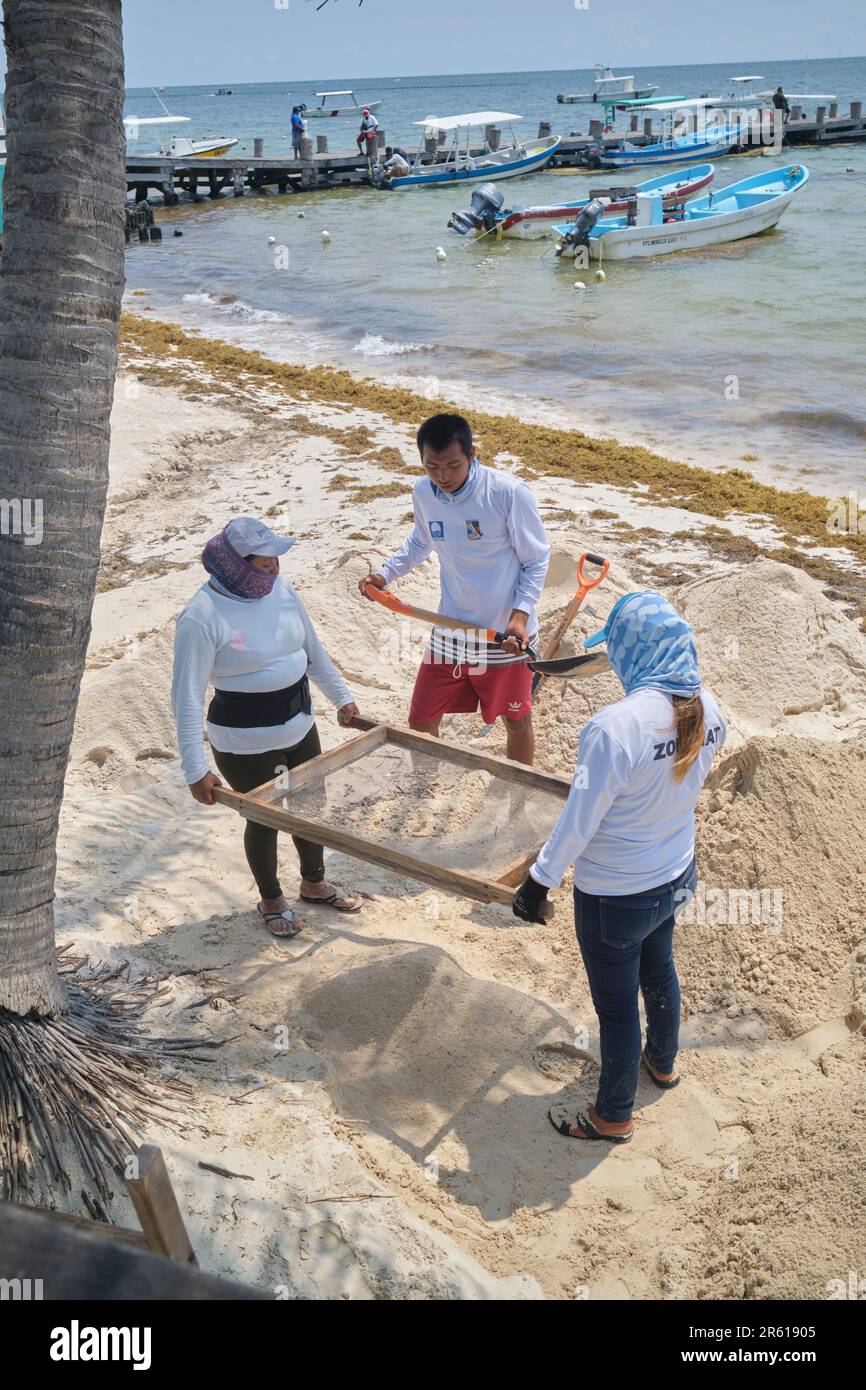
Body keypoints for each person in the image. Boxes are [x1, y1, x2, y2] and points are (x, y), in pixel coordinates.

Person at [513, 591, 727, 1142]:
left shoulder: (614, 727)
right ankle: (664, 1063)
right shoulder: (710, 708)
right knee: (660, 971)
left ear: (634, 653)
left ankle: (612, 1115)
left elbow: (580, 821)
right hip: (676, 873)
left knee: (615, 1008)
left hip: (615, 895)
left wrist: (538, 881)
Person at [172, 516, 361, 939]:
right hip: (243, 740)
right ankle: (271, 898)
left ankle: (314, 883)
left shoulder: (284, 591)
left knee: (311, 804)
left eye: (276, 560)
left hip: (299, 723)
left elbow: (312, 651)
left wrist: (342, 698)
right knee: (266, 818)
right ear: (236, 565)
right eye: (263, 563)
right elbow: (185, 696)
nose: (274, 569)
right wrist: (193, 769)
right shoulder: (200, 617)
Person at [359, 413, 550, 766]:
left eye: (453, 465)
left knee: (517, 721)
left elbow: (536, 559)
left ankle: (518, 795)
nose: (443, 476)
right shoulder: (422, 492)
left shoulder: (507, 493)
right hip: (451, 630)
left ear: (472, 454)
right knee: (420, 722)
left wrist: (520, 616)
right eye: (432, 466)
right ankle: (424, 786)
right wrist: (385, 575)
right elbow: (420, 541)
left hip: (503, 635)